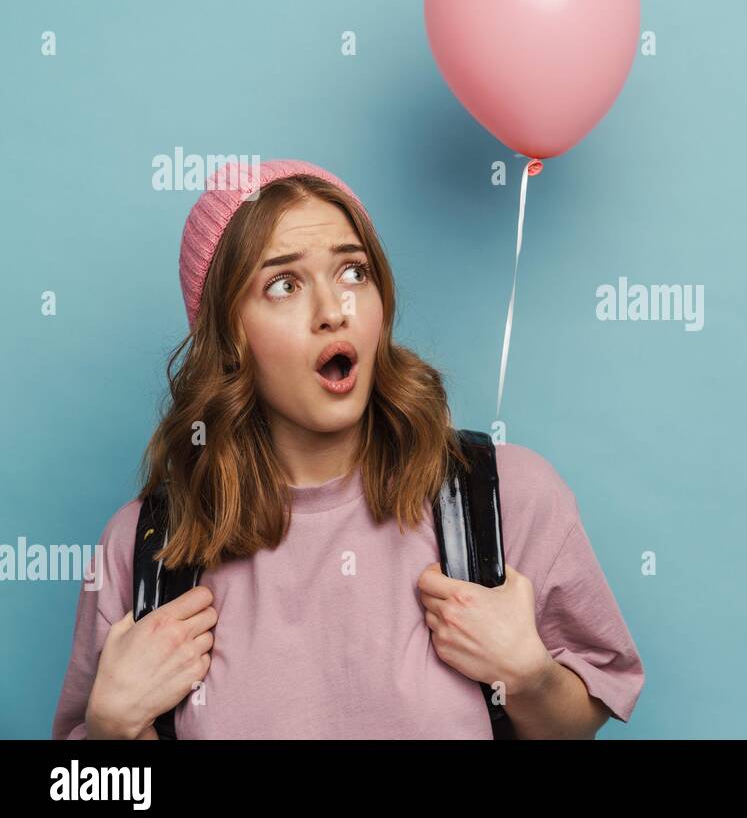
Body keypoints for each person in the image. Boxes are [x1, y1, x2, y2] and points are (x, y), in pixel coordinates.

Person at [50, 158, 644, 739]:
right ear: (228, 339)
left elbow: (578, 722)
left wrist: (530, 678)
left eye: (353, 272)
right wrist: (108, 731)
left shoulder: (506, 498)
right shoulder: (146, 549)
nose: (334, 311)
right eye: (283, 284)